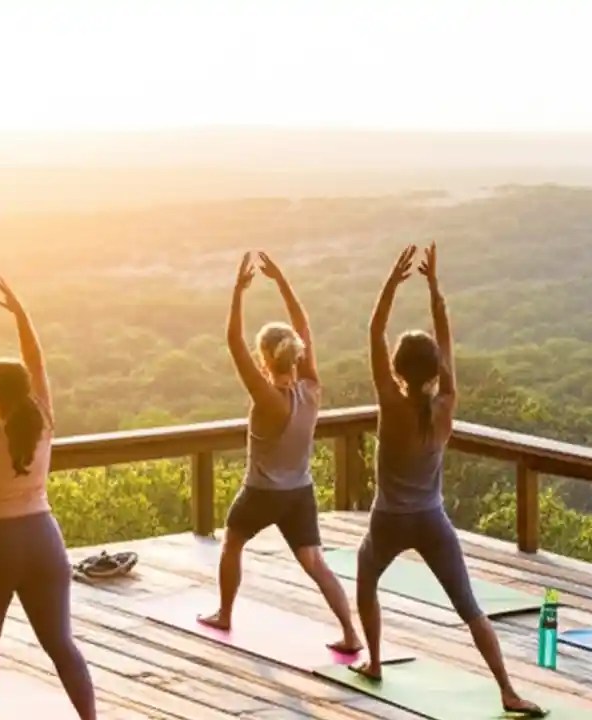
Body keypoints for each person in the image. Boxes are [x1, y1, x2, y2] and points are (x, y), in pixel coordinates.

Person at [353, 244, 544, 717]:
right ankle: (507, 690)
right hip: (432, 520)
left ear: (396, 370)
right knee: (470, 607)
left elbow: (374, 331)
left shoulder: (390, 405)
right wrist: (435, 289)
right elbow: (446, 340)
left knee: (365, 580)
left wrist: (391, 286)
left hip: (389, 520)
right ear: (435, 369)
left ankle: (375, 661)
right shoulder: (446, 403)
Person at [198, 251, 364, 654]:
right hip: (299, 493)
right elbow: (303, 326)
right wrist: (282, 281)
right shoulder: (311, 387)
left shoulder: (268, 398)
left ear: (264, 358)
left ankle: (224, 612)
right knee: (314, 562)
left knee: (232, 543)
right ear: (297, 354)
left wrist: (238, 292)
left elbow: (233, 342)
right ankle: (351, 632)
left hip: (262, 492)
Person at [0, 278, 97, 720]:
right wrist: (21, 314)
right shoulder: (44, 422)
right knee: (61, 643)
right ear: (25, 391)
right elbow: (37, 362)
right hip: (42, 540)